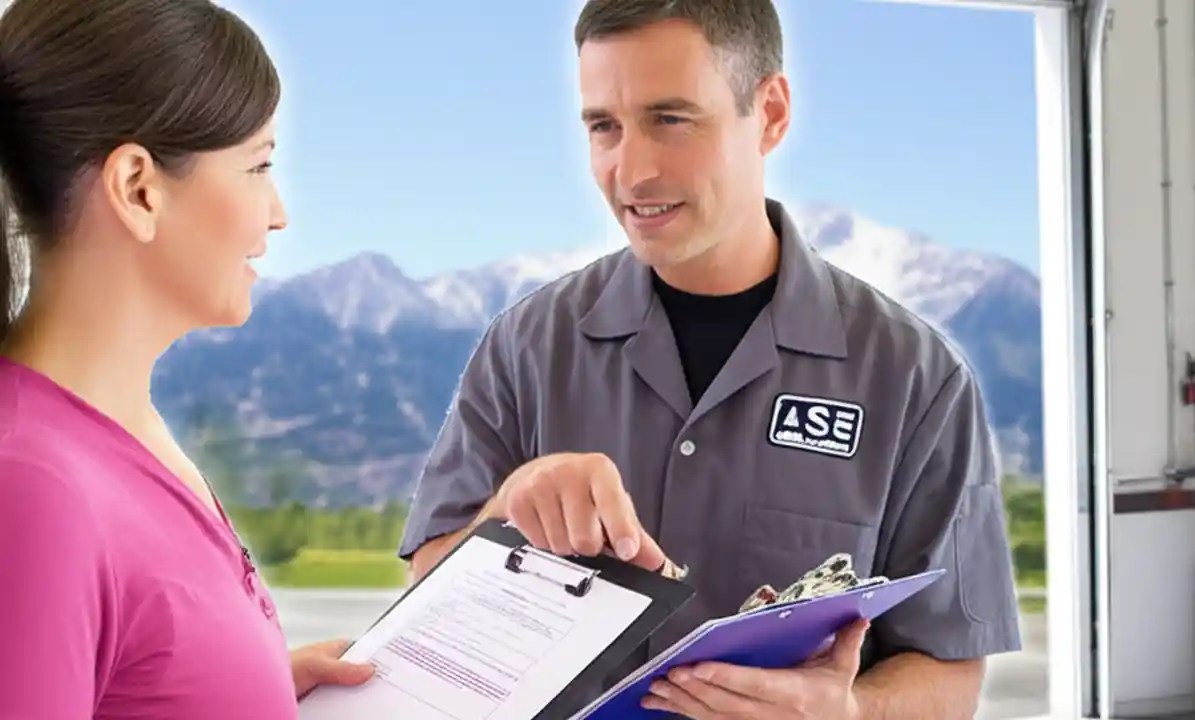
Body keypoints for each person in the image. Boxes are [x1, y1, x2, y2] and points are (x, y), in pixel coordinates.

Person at [399, 0, 1023, 718]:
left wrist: (851, 713)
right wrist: (508, 506)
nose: (629, 172)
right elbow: (426, 591)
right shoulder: (526, 345)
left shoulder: (917, 379)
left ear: (772, 112)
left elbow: (949, 674)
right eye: (604, 127)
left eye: (671, 119)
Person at [0, 0, 375, 717]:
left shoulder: (118, 430)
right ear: (139, 189)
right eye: (258, 166)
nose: (277, 212)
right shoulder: (31, 491)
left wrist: (248, 679)